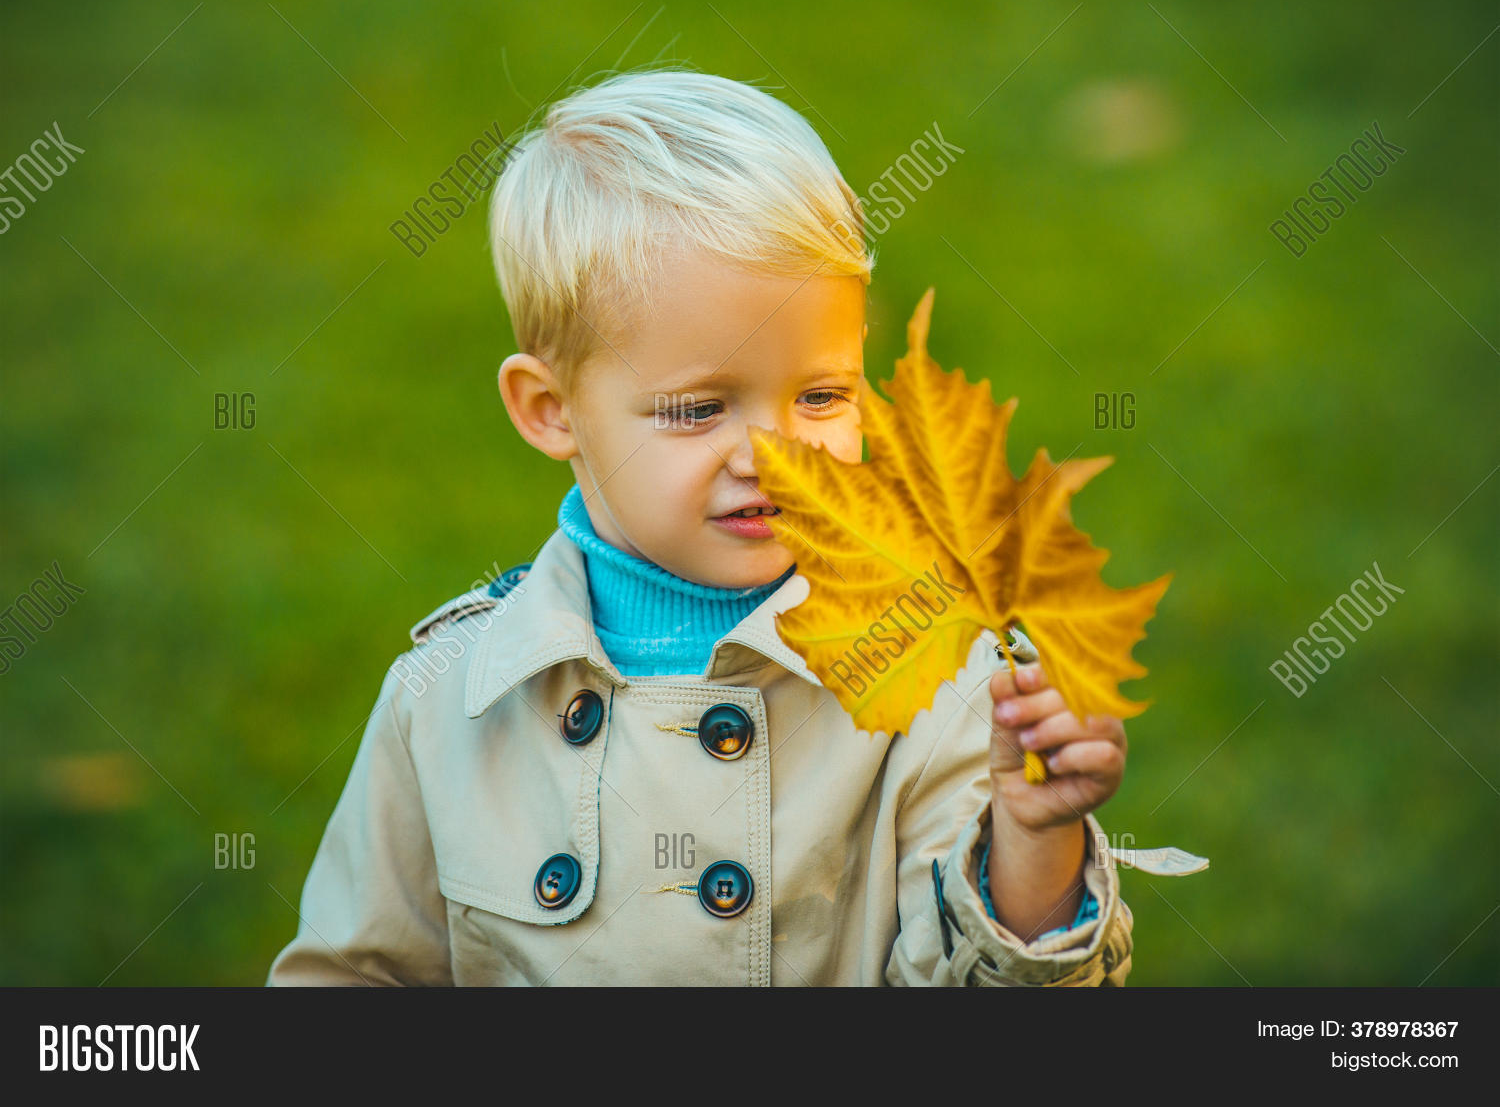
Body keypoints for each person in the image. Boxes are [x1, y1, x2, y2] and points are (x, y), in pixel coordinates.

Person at [268, 68, 1200, 986]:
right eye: (697, 408)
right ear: (550, 409)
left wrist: (1034, 843)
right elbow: (356, 971)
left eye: (822, 395)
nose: (776, 455)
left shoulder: (935, 680)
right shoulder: (450, 696)